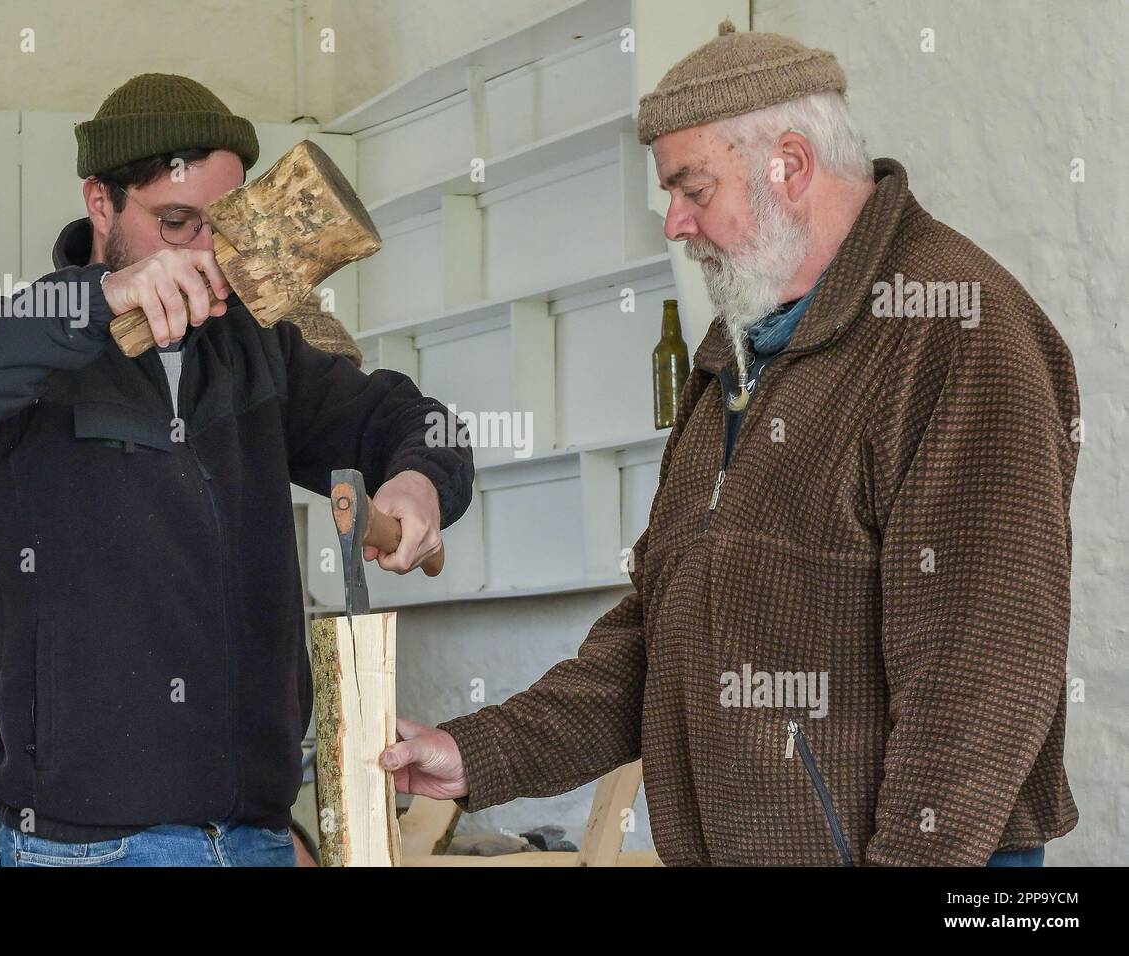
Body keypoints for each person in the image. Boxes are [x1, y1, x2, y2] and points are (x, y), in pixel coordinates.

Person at [381, 22, 1080, 867]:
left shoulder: (954, 327)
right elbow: (659, 635)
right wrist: (478, 752)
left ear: (790, 164)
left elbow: (981, 674)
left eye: (693, 188)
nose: (674, 223)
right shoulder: (739, 352)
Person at [0, 73, 474, 867]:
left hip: (256, 835)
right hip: (86, 849)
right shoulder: (32, 340)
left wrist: (420, 481)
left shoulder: (260, 350)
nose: (201, 251)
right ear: (100, 202)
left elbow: (418, 423)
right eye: (175, 223)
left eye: (223, 225)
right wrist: (99, 300)